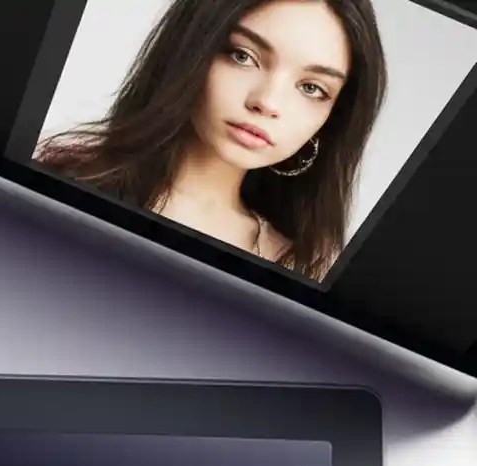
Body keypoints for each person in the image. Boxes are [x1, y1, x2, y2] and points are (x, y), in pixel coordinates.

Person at [35, 0, 387, 282]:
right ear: (192, 51)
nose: (267, 102)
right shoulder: (63, 179)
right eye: (243, 56)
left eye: (311, 88)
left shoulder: (299, 267)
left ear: (332, 119)